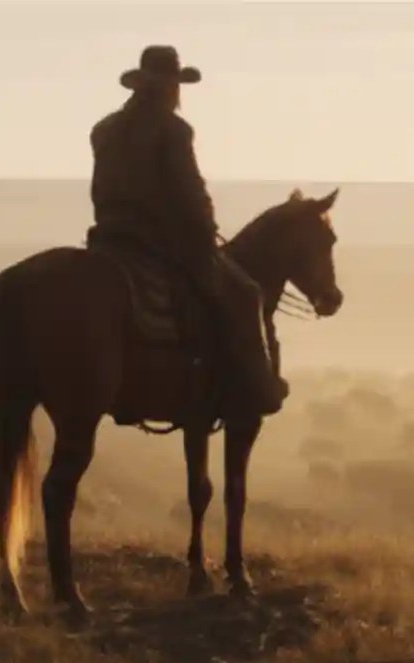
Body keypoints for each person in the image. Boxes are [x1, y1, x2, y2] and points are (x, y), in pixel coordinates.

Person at [88, 45, 287, 420]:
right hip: (158, 242)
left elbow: (102, 188)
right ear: (170, 88)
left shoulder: (104, 129)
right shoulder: (174, 130)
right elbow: (189, 189)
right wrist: (206, 228)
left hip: (109, 237)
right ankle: (258, 388)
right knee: (245, 293)